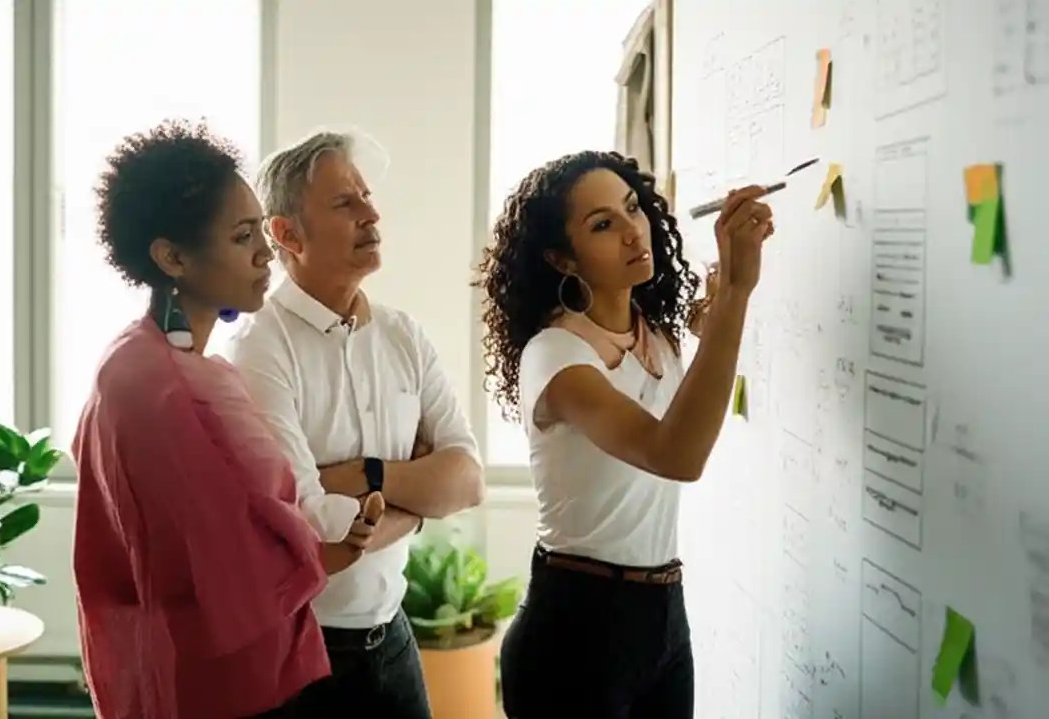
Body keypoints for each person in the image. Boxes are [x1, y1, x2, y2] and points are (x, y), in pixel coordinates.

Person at [70, 119, 387, 719]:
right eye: (244, 236)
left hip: (167, 663)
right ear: (173, 256)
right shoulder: (185, 389)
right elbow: (248, 555)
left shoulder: (130, 360)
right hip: (228, 684)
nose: (266, 251)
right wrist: (340, 538)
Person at [475, 150, 774, 718]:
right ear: (563, 259)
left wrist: (720, 312)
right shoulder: (555, 356)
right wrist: (736, 291)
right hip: (575, 626)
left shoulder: (657, 337)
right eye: (603, 225)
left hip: (663, 610)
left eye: (632, 209)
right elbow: (677, 454)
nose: (634, 231)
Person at [225, 130, 484, 718]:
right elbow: (309, 526)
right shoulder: (260, 349)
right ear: (286, 234)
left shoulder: (402, 335)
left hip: (392, 640)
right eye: (345, 203)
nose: (372, 214)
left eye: (367, 197)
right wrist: (418, 502)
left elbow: (467, 480)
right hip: (300, 654)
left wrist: (362, 475)